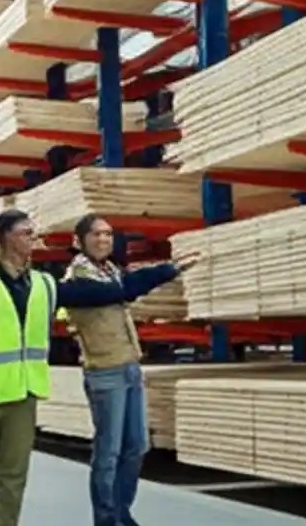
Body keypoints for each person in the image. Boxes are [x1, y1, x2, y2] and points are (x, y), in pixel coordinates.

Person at [0, 209, 191, 526]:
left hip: (22, 393)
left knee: (13, 474)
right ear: (6, 238)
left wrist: (167, 271)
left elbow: (116, 291)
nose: (34, 239)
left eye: (34, 233)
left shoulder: (46, 286)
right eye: (26, 233)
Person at [63, 214, 182, 526]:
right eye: (96, 235)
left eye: (108, 234)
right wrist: (168, 270)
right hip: (105, 373)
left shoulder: (110, 272)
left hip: (129, 368)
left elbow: (124, 286)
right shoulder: (77, 281)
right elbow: (123, 290)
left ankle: (121, 512)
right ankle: (105, 519)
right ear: (80, 241)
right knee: (108, 452)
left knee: (136, 446)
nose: (103, 240)